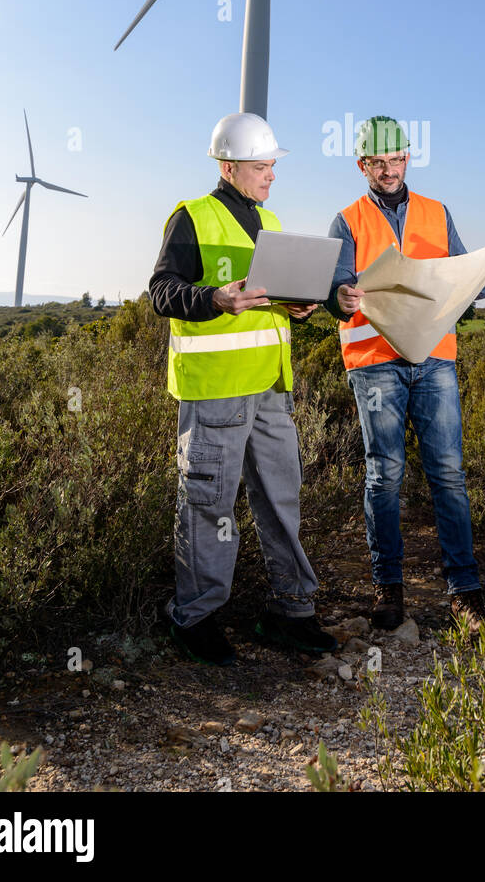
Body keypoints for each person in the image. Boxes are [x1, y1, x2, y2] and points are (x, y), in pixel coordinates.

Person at [149, 111, 337, 666]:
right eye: (262, 167)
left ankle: (291, 611)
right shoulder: (191, 218)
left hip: (271, 390)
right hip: (215, 394)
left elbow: (268, 302)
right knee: (208, 502)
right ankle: (196, 617)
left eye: (273, 167)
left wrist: (298, 308)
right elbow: (161, 292)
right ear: (229, 168)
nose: (271, 176)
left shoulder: (268, 220)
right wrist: (214, 299)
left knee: (282, 497)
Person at [325, 116, 485, 633]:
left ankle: (465, 593)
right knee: (384, 475)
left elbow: (459, 285)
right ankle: (389, 589)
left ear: (408, 158)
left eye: (396, 160)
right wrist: (340, 297)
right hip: (376, 362)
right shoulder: (346, 222)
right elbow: (335, 294)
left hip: (435, 359)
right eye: (378, 163)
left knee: (448, 474)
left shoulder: (437, 212)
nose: (389, 170)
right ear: (363, 165)